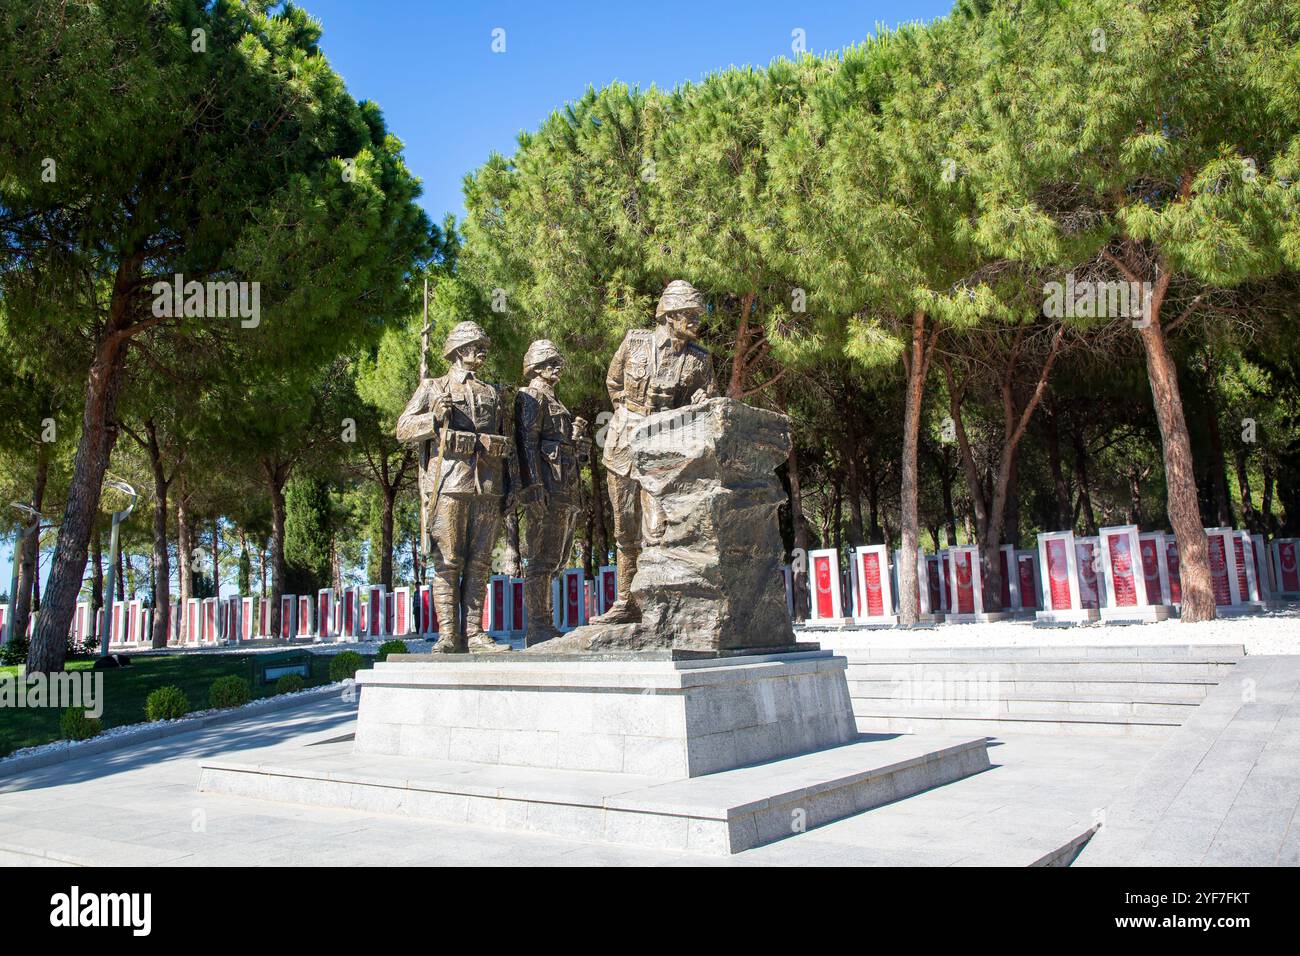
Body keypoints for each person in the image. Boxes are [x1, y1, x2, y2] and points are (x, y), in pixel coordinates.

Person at [594, 280, 715, 624]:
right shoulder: (634, 342)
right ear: (671, 315)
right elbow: (613, 382)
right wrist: (629, 414)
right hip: (623, 443)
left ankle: (658, 605)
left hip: (664, 447)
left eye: (697, 314)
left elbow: (709, 397)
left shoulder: (700, 359)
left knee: (658, 527)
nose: (696, 321)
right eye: (690, 314)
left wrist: (701, 400)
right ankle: (625, 603)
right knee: (623, 528)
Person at [396, 321, 512, 653]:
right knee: (447, 560)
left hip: (488, 486)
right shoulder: (434, 387)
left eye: (484, 346)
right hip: (448, 484)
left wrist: (512, 484)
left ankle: (474, 634)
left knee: (480, 562)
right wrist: (432, 418)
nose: (483, 351)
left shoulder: (492, 392)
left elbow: (509, 441)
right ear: (460, 350)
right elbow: (402, 429)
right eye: (477, 346)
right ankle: (448, 634)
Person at [513, 340, 589, 646]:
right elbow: (527, 443)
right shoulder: (530, 396)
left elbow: (559, 447)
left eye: (558, 363)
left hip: (565, 487)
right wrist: (533, 486)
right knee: (542, 560)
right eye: (550, 363)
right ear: (535, 367)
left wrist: (578, 445)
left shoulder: (555, 400)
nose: (557, 368)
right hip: (547, 487)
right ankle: (538, 626)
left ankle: (546, 622)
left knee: (557, 560)